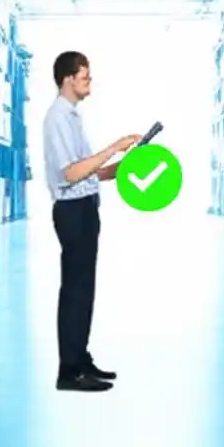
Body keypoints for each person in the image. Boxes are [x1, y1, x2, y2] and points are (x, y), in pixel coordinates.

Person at [42, 51, 140, 392]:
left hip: (85, 205)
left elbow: (87, 171)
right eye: (85, 77)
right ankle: (69, 372)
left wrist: (122, 169)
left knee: (85, 290)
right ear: (68, 78)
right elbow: (69, 173)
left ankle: (80, 360)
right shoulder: (57, 117)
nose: (89, 83)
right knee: (75, 290)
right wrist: (114, 146)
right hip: (71, 211)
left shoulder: (73, 117)